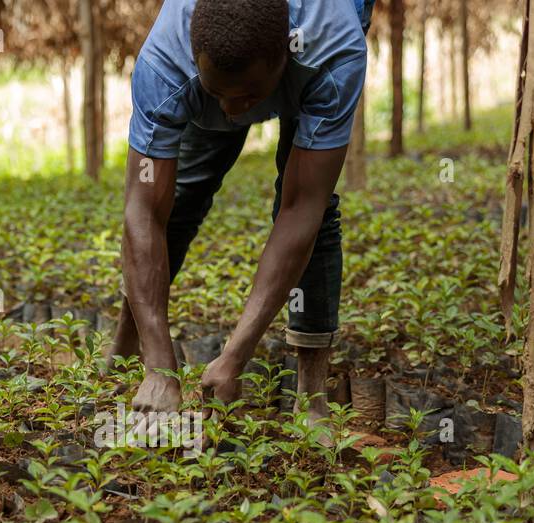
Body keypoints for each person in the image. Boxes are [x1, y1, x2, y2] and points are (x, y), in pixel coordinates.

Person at [111, 0, 375, 440]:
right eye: (219, 97)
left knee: (315, 205)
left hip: (309, 56)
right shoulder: (163, 64)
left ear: (283, 60)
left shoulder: (333, 53)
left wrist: (236, 355)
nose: (235, 113)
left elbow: (300, 209)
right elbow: (143, 210)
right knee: (180, 195)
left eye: (249, 98)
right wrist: (160, 365)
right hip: (220, 68)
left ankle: (311, 395)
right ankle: (131, 342)